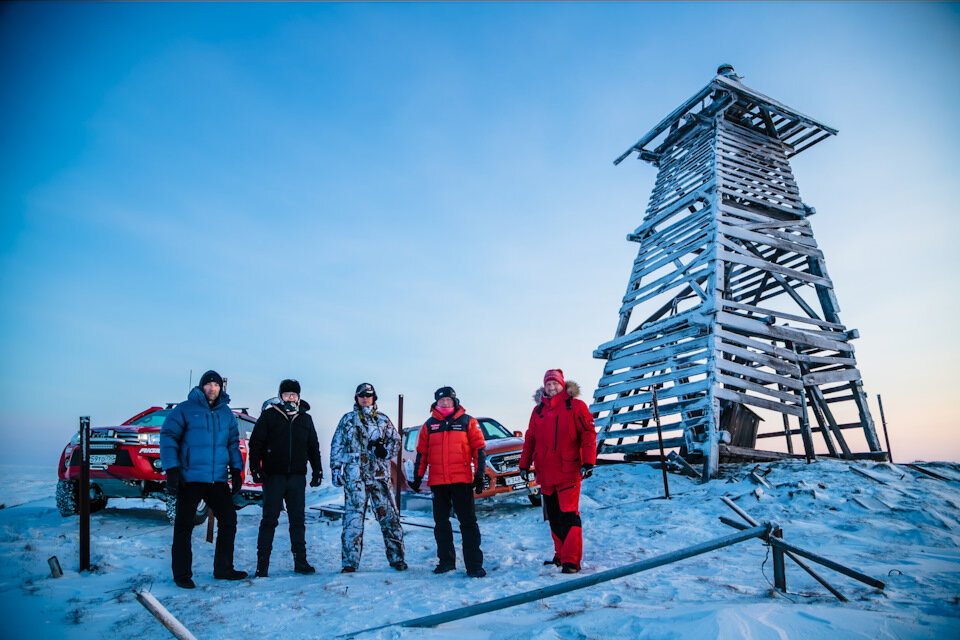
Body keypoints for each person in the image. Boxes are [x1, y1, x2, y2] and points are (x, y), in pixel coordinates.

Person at [160, 370, 247, 588]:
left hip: (217, 480)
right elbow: (168, 436)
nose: (212, 388)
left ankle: (223, 568)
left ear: (221, 388)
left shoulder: (226, 414)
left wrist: (237, 470)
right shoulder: (185, 409)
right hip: (190, 478)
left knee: (229, 520)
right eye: (208, 384)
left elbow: (232, 444)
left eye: (216, 385)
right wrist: (172, 469)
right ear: (201, 387)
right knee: (183, 525)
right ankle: (182, 575)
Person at [518, 369, 597, 574]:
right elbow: (530, 440)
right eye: (548, 384)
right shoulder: (538, 412)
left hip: (568, 471)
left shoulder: (576, 406)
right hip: (545, 473)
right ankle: (560, 555)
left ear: (563, 385)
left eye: (555, 384)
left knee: (569, 515)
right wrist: (524, 465)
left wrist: (588, 462)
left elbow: (588, 435)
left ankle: (571, 561)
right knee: (553, 516)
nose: (552, 388)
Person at [248, 379, 323, 578]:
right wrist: (255, 468)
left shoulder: (305, 419)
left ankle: (301, 561)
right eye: (287, 394)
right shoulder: (269, 416)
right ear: (280, 396)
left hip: (297, 478)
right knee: (269, 520)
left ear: (299, 397)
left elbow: (313, 447)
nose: (291, 397)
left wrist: (318, 471)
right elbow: (256, 443)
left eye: (294, 394)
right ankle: (261, 566)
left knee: (297, 520)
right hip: (274, 476)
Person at [409, 386, 487, 578]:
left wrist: (479, 475)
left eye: (448, 400)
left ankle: (474, 565)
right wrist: (418, 477)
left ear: (455, 401)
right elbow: (422, 453)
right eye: (441, 401)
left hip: (461, 480)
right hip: (438, 482)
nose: (445, 403)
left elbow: (479, 449)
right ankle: (446, 561)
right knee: (441, 524)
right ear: (436, 403)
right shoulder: (429, 425)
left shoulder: (468, 421)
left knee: (468, 523)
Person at [330, 382, 406, 573]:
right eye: (361, 395)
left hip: (379, 476)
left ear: (374, 398)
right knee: (353, 520)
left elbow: (396, 442)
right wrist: (336, 468)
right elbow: (337, 444)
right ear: (356, 398)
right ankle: (349, 563)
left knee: (390, 517)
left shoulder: (382, 420)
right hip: (355, 477)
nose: (365, 398)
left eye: (368, 395)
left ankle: (397, 558)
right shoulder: (348, 419)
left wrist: (384, 450)